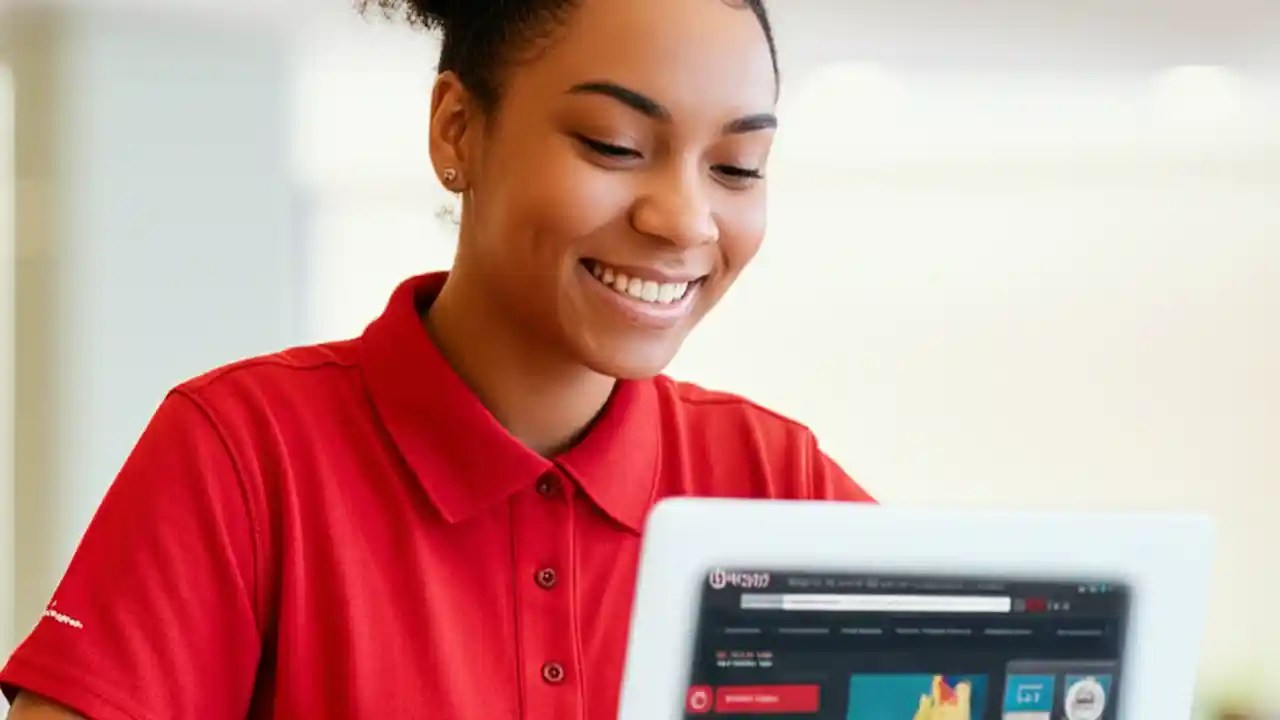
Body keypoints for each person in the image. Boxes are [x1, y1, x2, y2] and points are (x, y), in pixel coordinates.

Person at [2, 0, 873, 717]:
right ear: (458, 129)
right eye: (614, 145)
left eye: (737, 165)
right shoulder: (243, 452)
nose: (684, 220)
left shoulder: (775, 481)